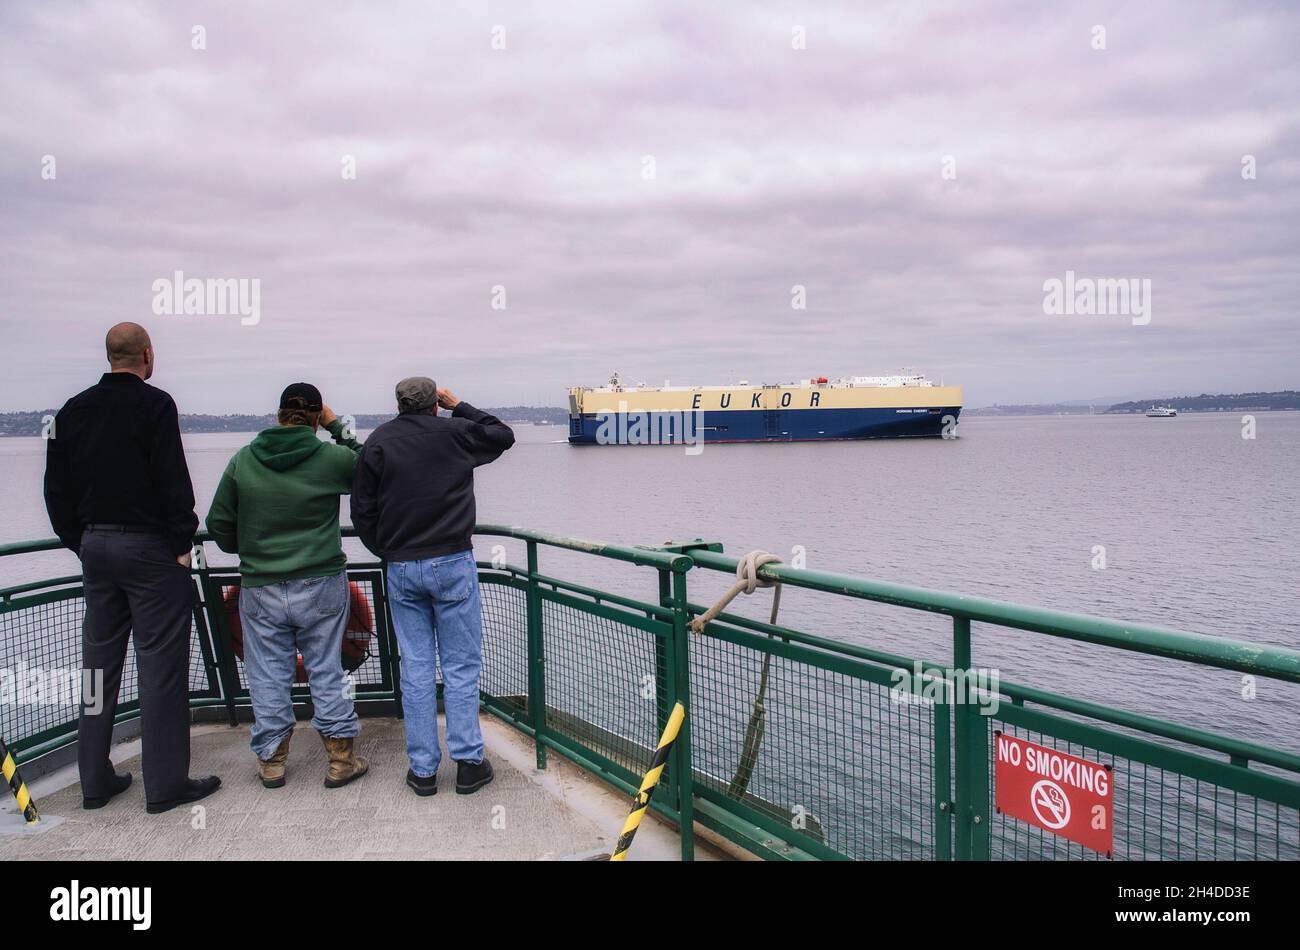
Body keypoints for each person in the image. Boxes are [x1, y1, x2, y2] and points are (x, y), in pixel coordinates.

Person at [43, 322, 221, 813]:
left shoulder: (72, 411)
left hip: (96, 546)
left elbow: (55, 490)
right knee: (160, 668)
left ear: (108, 355)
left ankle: (95, 781)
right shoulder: (155, 405)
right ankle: (164, 786)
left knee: (97, 670)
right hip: (150, 552)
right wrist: (181, 540)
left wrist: (80, 541)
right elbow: (172, 479)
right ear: (148, 354)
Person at [351, 377, 514, 796]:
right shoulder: (456, 433)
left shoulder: (379, 443)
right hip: (452, 561)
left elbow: (362, 510)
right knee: (460, 666)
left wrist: (387, 550)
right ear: (435, 404)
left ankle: (422, 771)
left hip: (402, 566)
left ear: (399, 403)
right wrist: (460, 405)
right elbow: (502, 434)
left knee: (417, 667)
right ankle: (468, 764)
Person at [206, 383, 368, 789]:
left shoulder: (243, 460)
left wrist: (249, 547)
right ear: (315, 418)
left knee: (267, 676)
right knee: (326, 671)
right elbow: (371, 467)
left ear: (279, 415)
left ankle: (273, 762)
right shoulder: (331, 458)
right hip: (321, 582)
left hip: (260, 585)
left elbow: (220, 525)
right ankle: (340, 760)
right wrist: (338, 427)